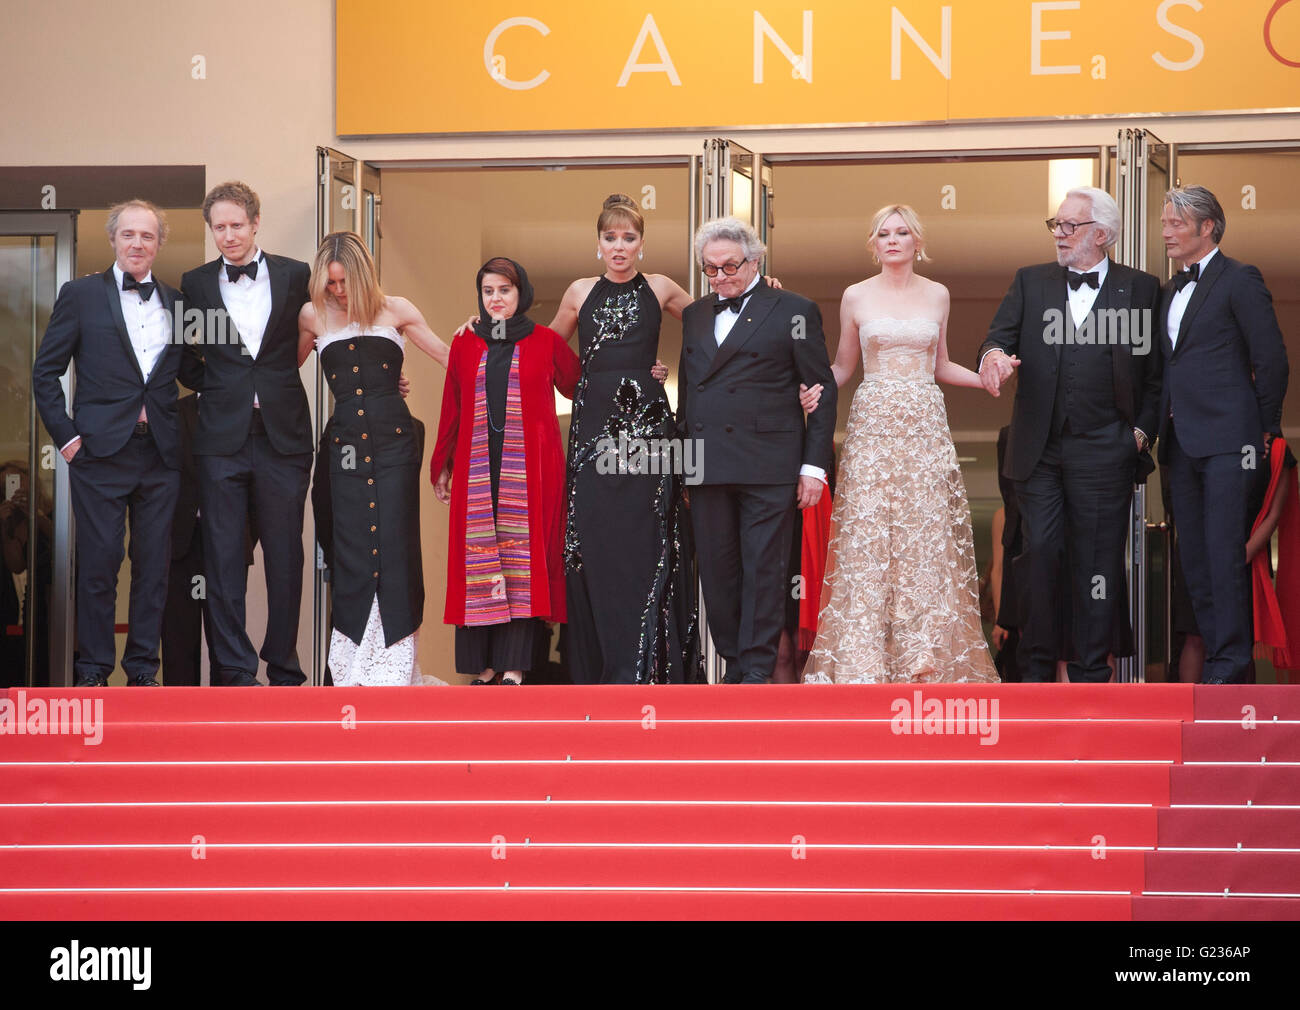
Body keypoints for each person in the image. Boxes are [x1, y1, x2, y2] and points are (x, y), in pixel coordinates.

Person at [977, 186, 1162, 683]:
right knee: (1038, 557)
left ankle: (1088, 674)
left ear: (1101, 235)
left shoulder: (1141, 289)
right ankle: (1034, 670)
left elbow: (1157, 376)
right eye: (1055, 225)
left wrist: (1139, 436)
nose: (1058, 235)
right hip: (1039, 450)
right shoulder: (1030, 282)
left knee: (1097, 562)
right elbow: (997, 338)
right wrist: (993, 358)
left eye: (1069, 226)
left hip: (1107, 448)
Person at [804, 205, 995, 683]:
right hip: (873, 423)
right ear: (874, 244)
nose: (892, 240)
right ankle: (860, 664)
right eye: (884, 234)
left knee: (924, 538)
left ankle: (925, 660)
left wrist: (986, 380)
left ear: (916, 242)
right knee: (868, 538)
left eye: (902, 232)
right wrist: (806, 386)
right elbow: (843, 368)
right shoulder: (854, 296)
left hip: (925, 425)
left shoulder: (939, 295)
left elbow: (942, 365)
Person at [679, 216, 836, 685]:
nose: (721, 277)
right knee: (717, 572)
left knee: (765, 572)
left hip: (770, 465)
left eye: (730, 266)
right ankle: (734, 663)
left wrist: (814, 467)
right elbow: (689, 394)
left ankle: (756, 670)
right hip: (707, 465)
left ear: (755, 260)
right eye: (710, 269)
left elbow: (821, 389)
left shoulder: (794, 308)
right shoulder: (694, 315)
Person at [32, 199, 182, 686]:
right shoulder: (80, 295)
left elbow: (201, 370)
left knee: (153, 569)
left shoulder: (179, 304)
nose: (138, 243)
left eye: (148, 236)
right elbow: (45, 373)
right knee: (98, 565)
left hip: (159, 453)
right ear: (114, 239)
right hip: (98, 453)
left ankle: (141, 670)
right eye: (129, 235)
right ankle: (94, 670)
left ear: (159, 243)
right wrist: (68, 439)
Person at [298, 231, 449, 685]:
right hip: (343, 447)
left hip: (395, 444)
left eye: (345, 282)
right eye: (330, 284)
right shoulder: (312, 316)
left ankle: (396, 669)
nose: (338, 291)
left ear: (362, 276)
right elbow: (278, 378)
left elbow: (451, 358)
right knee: (350, 548)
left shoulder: (396, 309)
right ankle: (351, 671)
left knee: (398, 545)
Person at [179, 181, 313, 686]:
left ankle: (283, 667)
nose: (229, 235)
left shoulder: (296, 275)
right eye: (220, 227)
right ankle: (234, 669)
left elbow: (331, 324)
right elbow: (182, 355)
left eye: (237, 225)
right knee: (224, 556)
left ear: (256, 223)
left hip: (284, 437)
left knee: (285, 556)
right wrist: (220, 387)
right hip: (220, 440)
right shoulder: (195, 284)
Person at [1157, 184, 1288, 684]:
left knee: (1225, 555)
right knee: (1195, 561)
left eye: (1175, 223)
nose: (1166, 231)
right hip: (1182, 444)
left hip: (1232, 443)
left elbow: (1270, 359)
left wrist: (1264, 432)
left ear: (1207, 227)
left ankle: (1231, 671)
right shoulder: (1170, 289)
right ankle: (1217, 662)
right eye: (1164, 222)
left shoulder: (1240, 279)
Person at [430, 257, 580, 685]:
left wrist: (639, 374)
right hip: (478, 469)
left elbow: (579, 386)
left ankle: (514, 666)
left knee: (520, 565)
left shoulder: (546, 341)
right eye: (489, 291)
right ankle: (485, 666)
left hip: (532, 472)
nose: (496, 299)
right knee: (480, 559)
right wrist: (442, 464)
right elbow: (452, 406)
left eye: (505, 290)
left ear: (522, 294)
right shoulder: (465, 342)